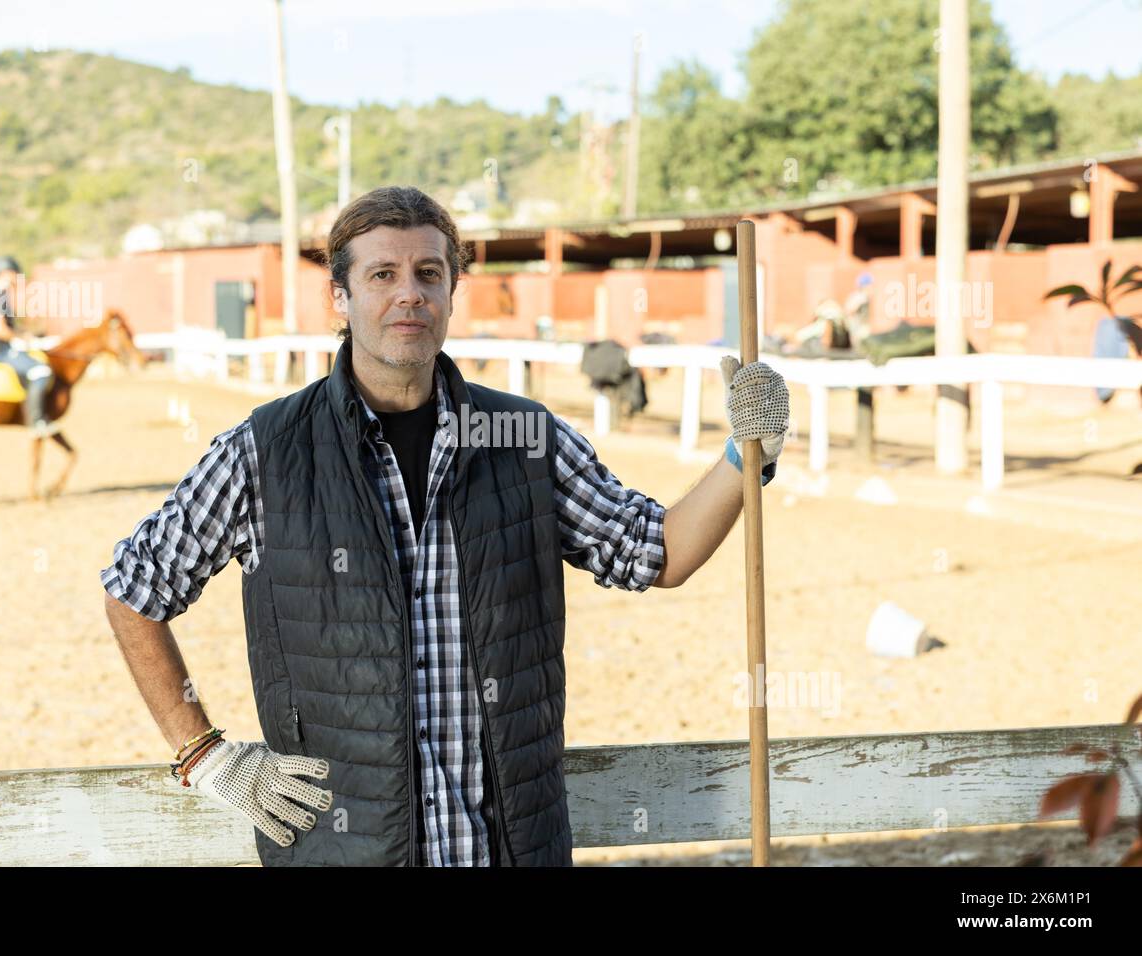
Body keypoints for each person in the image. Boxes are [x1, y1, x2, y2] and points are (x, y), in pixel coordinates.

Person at [100, 186, 791, 867]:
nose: (410, 294)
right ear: (338, 297)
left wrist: (745, 453)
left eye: (429, 274)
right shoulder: (265, 450)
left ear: (452, 291)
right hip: (341, 852)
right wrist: (204, 753)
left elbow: (657, 553)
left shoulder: (525, 438)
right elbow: (134, 588)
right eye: (383, 275)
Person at [0, 255, 57, 437]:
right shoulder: (1, 297)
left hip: (0, 349)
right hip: (1, 351)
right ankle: (37, 420)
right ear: (7, 273)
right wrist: (19, 338)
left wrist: (23, 332)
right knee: (41, 371)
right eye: (16, 274)